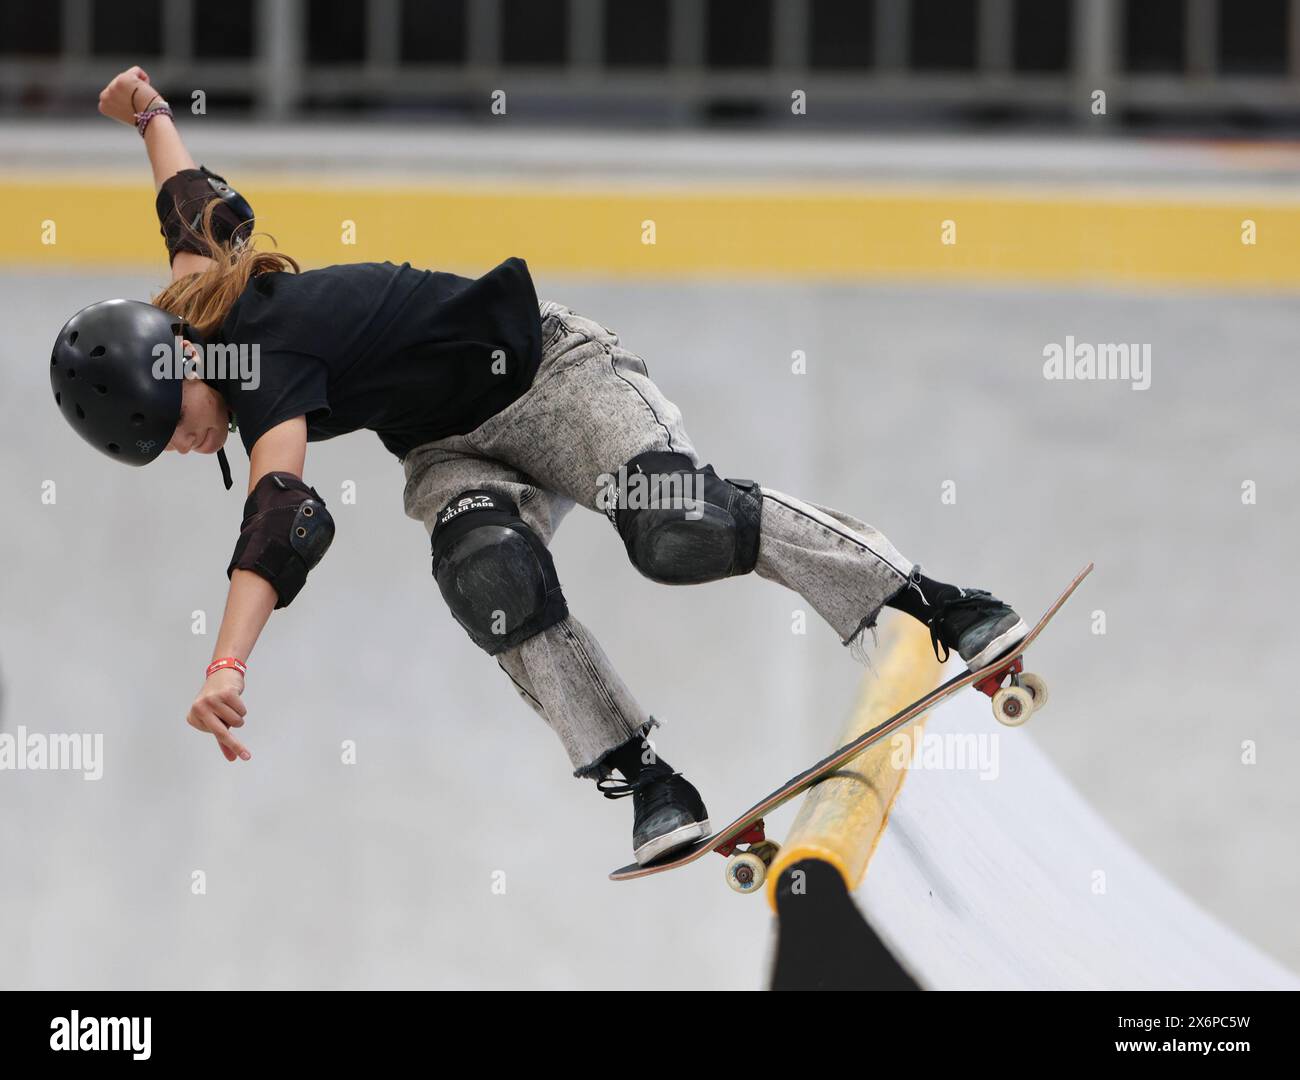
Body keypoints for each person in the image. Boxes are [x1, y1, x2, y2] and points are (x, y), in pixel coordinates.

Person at [52, 66, 1028, 866]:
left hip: (550, 376)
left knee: (673, 522)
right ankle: (645, 779)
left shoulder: (257, 368)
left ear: (182, 363)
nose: (185, 445)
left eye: (172, 424)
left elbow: (281, 511)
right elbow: (186, 199)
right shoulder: (192, 305)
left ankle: (922, 598)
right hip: (449, 450)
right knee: (489, 575)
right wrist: (146, 111)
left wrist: (227, 661)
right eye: (161, 448)